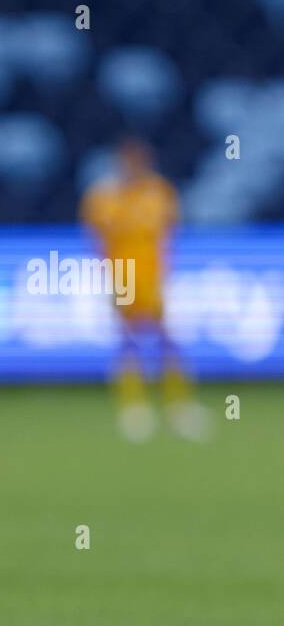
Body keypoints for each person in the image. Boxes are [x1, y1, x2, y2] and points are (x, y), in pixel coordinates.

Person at [80, 138, 206, 441]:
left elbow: (169, 236)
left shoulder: (159, 193)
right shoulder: (103, 198)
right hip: (122, 276)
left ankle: (179, 405)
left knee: (167, 340)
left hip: (152, 276)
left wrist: (165, 272)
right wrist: (107, 278)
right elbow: (97, 242)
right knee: (128, 342)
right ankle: (134, 408)